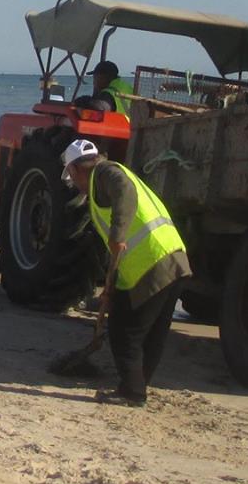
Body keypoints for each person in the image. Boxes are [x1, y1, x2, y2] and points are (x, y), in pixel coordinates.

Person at [61, 138, 191, 406]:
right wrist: (110, 290)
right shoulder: (105, 176)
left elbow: (124, 190)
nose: (74, 185)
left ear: (75, 169)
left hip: (153, 262)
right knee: (153, 333)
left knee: (124, 331)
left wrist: (117, 234)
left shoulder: (105, 173)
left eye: (72, 178)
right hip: (172, 257)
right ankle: (138, 384)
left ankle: (132, 392)